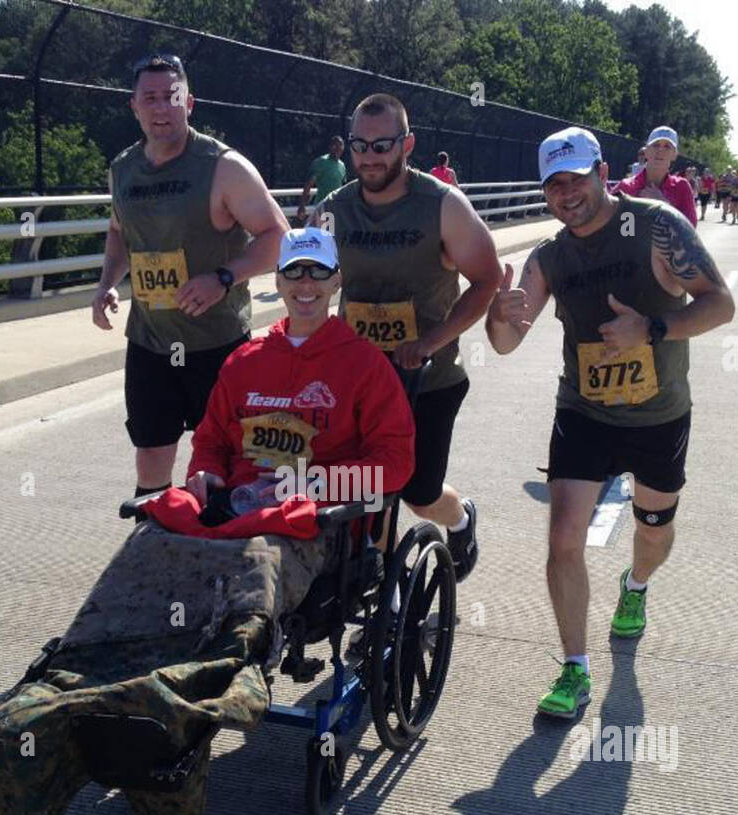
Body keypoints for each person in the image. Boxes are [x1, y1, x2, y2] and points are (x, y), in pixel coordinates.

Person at [484, 127, 735, 719]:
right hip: (584, 412)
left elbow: (720, 304)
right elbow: (505, 343)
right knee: (562, 540)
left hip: (658, 415)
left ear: (602, 172)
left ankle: (637, 586)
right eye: (554, 185)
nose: (567, 194)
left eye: (576, 179)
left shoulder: (658, 226)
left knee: (653, 533)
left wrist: (652, 328)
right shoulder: (550, 256)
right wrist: (499, 317)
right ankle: (574, 668)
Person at [313, 93, 502, 583]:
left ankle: (460, 519)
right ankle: (381, 592)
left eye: (382, 145)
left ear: (407, 144)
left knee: (418, 493)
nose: (370, 157)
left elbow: (487, 278)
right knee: (364, 487)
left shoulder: (441, 206)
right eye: (360, 145)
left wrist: (433, 340)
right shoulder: (334, 209)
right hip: (358, 379)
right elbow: (308, 279)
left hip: (428, 379)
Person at [93, 52, 288, 503]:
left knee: (221, 462)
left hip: (216, 343)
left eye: (171, 97)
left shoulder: (222, 166)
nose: (161, 108)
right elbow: (119, 231)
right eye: (151, 98)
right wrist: (106, 284)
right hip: (150, 340)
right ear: (134, 107)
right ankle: (152, 545)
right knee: (151, 454)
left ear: (190, 103)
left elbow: (278, 237)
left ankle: (219, 552)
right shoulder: (122, 169)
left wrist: (224, 276)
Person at [184, 226, 415, 516]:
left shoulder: (366, 365)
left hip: (314, 521)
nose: (306, 284)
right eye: (294, 272)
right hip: (236, 506)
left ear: (337, 281)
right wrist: (205, 470)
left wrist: (317, 483)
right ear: (278, 282)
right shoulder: (242, 362)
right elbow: (210, 441)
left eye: (319, 271)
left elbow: (395, 464)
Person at [617, 126, 698, 227]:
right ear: (646, 152)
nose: (660, 150)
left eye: (667, 146)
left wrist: (664, 206)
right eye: (656, 145)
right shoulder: (627, 186)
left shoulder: (682, 187)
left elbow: (691, 227)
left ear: (674, 155)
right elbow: (623, 231)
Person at [296, 136, 348, 226]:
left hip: (337, 209)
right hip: (323, 207)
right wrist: (302, 205)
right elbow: (309, 184)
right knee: (325, 236)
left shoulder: (342, 165)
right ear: (330, 147)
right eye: (335, 146)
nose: (338, 149)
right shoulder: (321, 162)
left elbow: (343, 187)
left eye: (340, 146)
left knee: (334, 237)